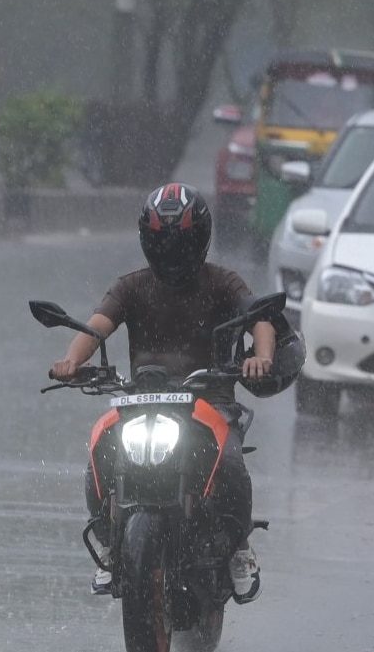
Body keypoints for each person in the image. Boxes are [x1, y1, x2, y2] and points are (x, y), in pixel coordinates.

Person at [50, 183, 276, 600]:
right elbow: (96, 326)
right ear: (147, 241)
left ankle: (238, 547)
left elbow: (259, 317)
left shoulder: (223, 281)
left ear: (200, 239)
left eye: (180, 242)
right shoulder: (131, 286)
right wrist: (72, 361)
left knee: (229, 462)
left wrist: (260, 357)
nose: (171, 252)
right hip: (142, 400)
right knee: (102, 442)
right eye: (161, 242)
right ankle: (107, 539)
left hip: (210, 402)